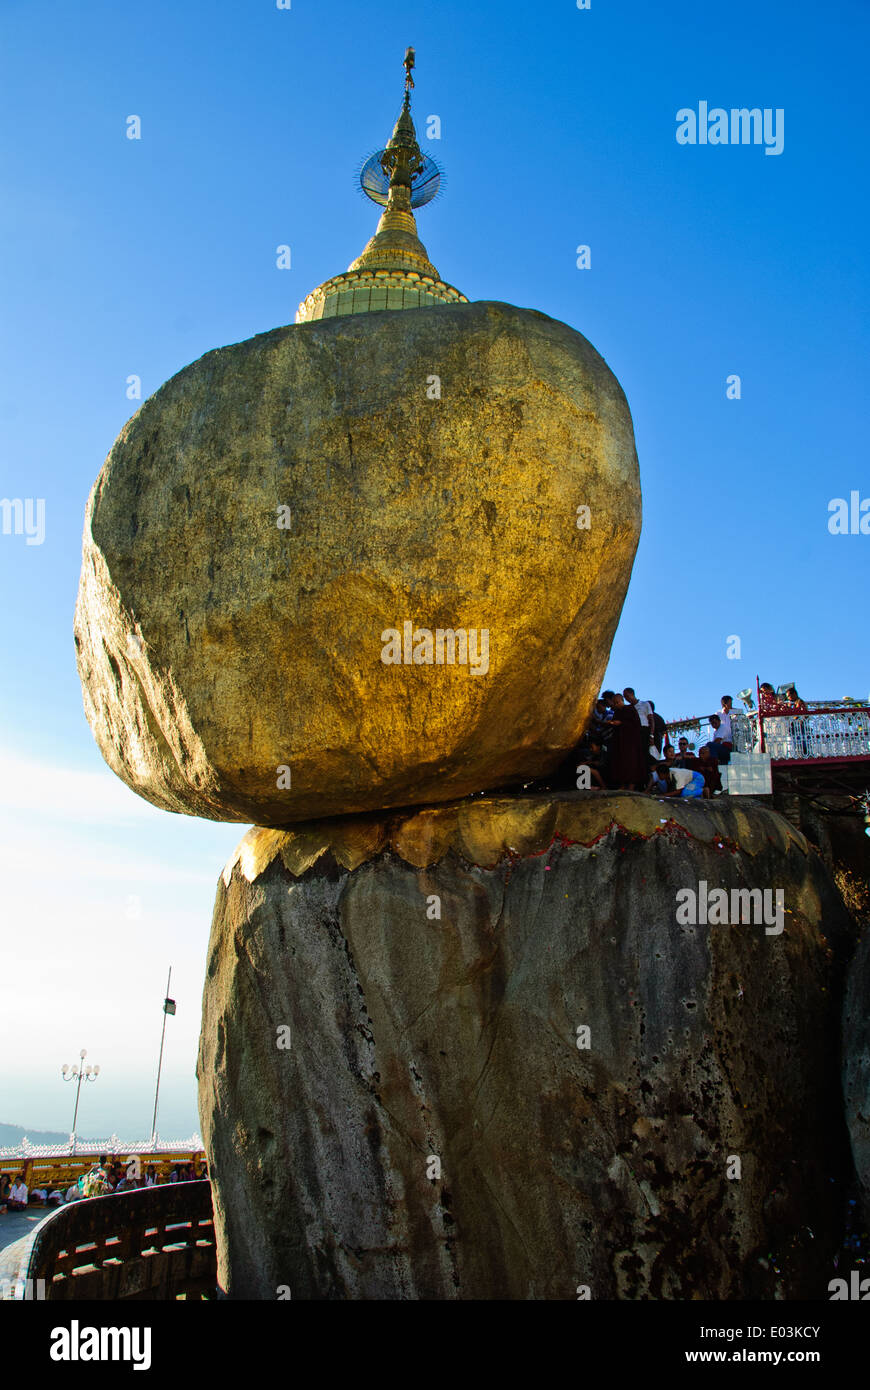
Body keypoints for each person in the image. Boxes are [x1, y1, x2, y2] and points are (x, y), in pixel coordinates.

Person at [606, 693, 648, 790]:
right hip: (620, 742)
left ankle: (631, 786)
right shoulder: (617, 712)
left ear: (622, 701)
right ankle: (622, 785)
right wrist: (611, 723)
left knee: (631, 763)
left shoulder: (630, 709)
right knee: (620, 763)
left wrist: (621, 723)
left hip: (631, 742)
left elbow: (636, 724)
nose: (616, 705)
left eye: (617, 702)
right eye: (614, 703)